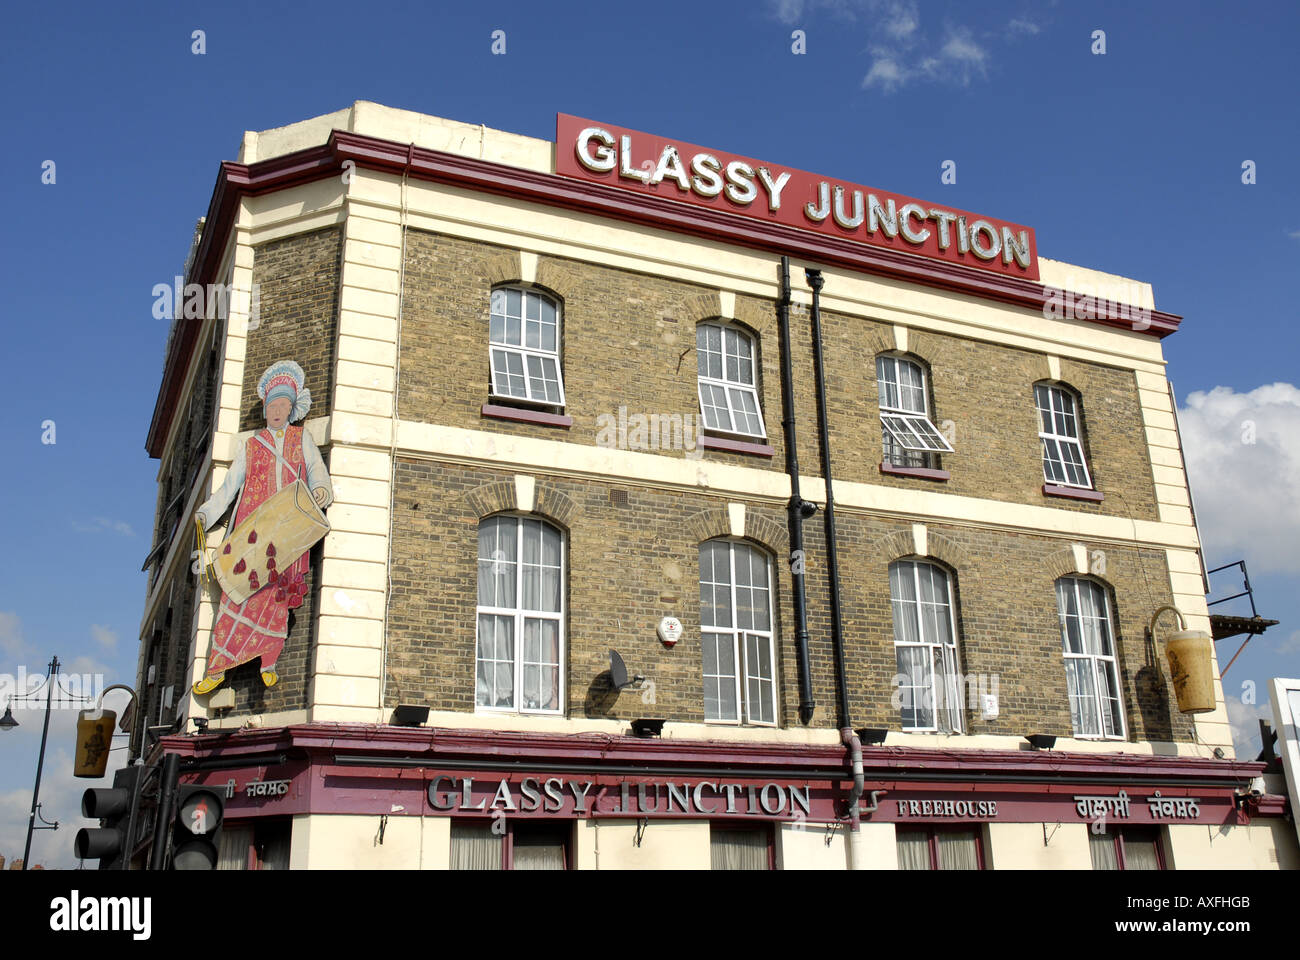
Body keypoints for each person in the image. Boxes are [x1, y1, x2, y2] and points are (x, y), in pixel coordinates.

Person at [193, 360, 332, 694]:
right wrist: (206, 514)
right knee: (235, 597)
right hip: (251, 532)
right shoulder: (251, 446)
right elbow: (229, 488)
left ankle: (268, 661)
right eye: (272, 405)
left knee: (276, 599)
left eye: (283, 405)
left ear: (292, 409)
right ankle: (218, 666)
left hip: (286, 529)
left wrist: (319, 491)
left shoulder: (302, 439)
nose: (276, 411)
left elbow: (316, 472)